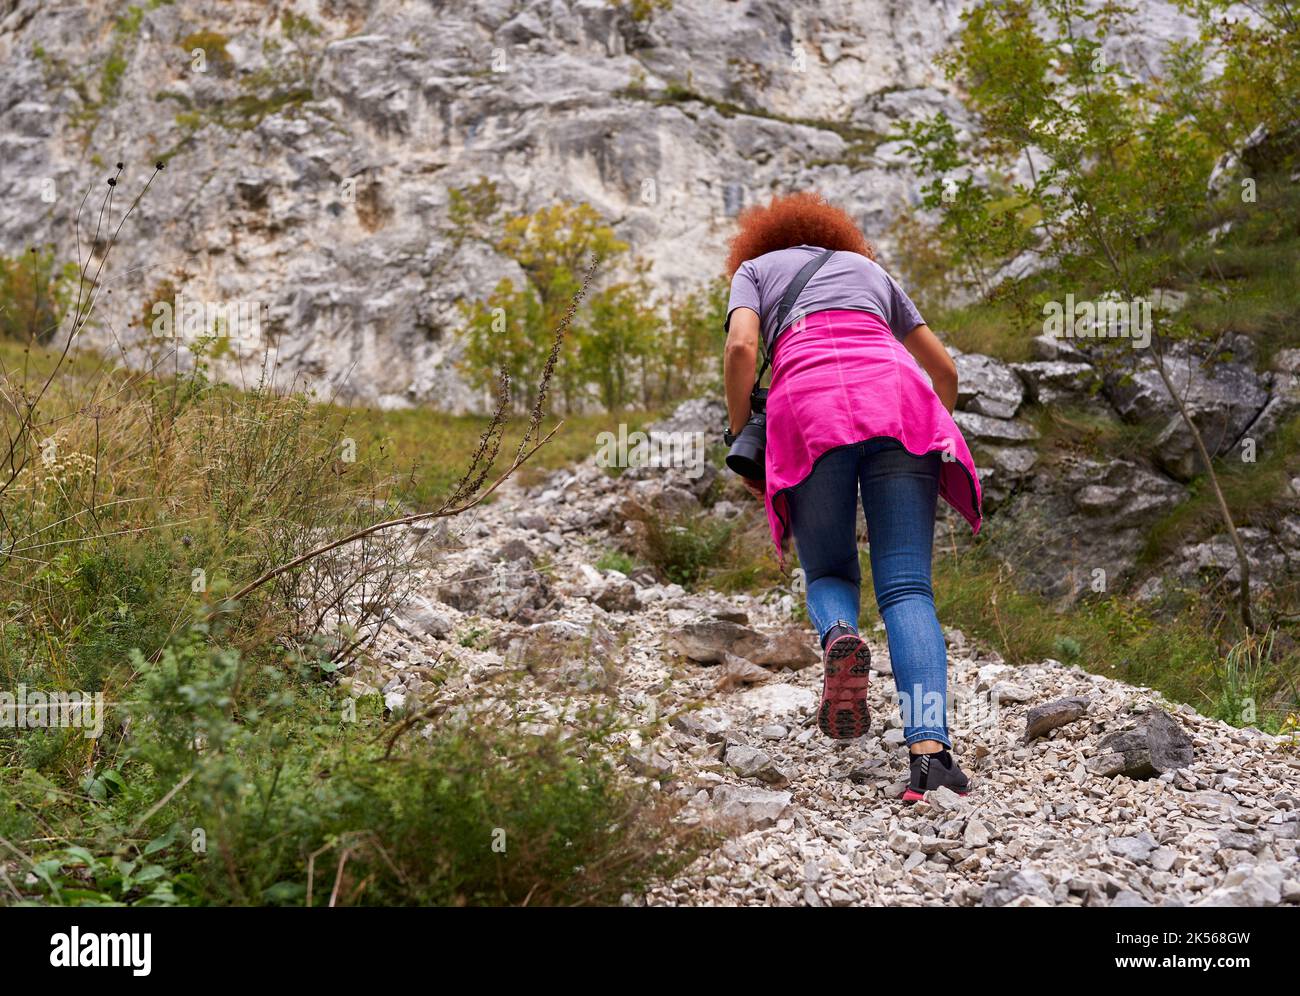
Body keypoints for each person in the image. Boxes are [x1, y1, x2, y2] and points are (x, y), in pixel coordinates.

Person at [722, 191, 982, 801]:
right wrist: (912, 426)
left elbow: (739, 349)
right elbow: (944, 372)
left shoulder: (755, 271)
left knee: (832, 568)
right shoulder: (870, 271)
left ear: (759, 241)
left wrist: (740, 433)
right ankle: (932, 757)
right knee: (908, 588)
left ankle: (840, 633)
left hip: (809, 408)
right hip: (899, 401)